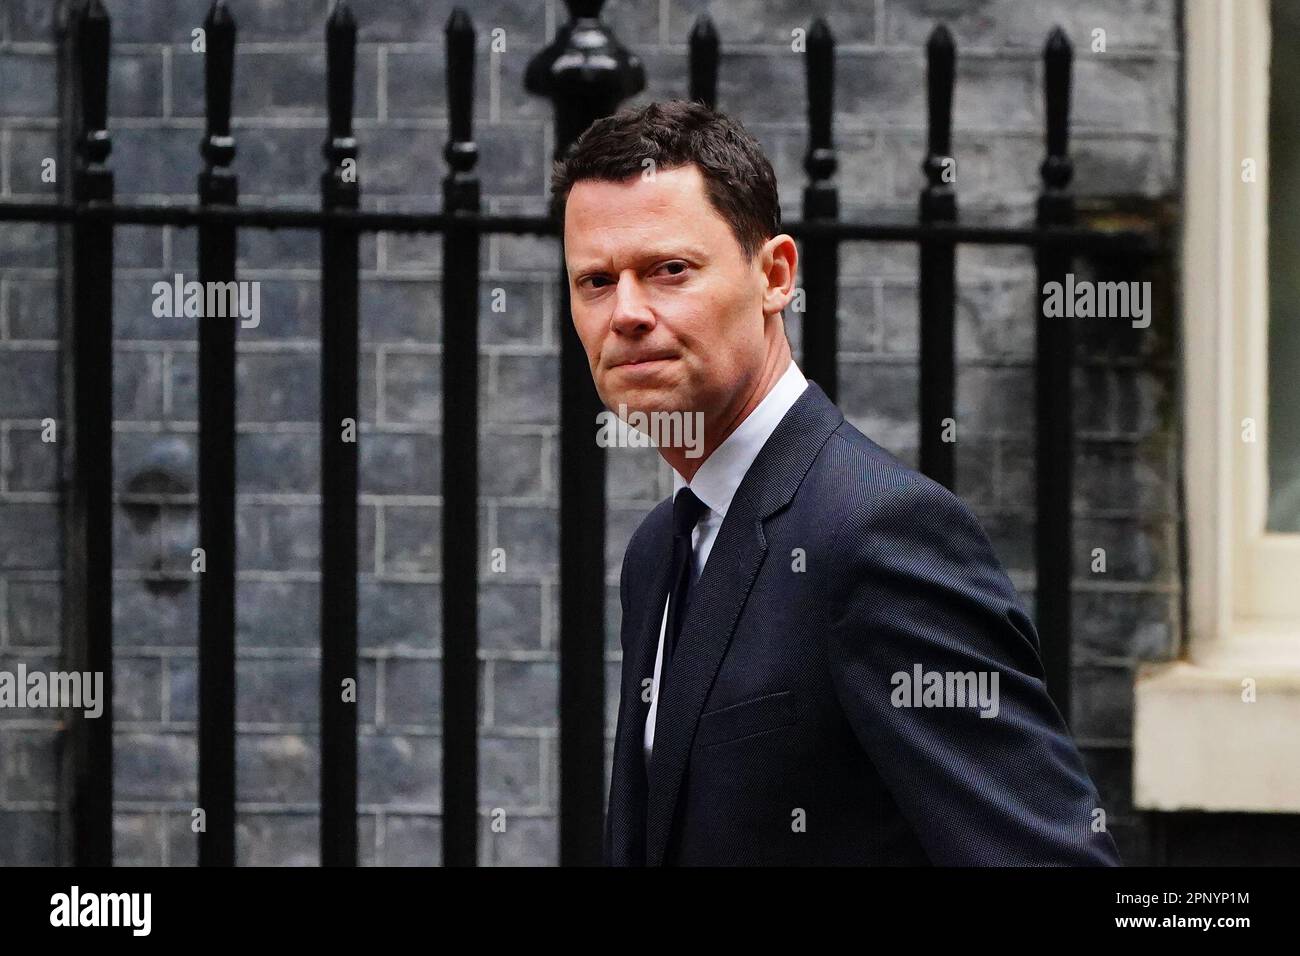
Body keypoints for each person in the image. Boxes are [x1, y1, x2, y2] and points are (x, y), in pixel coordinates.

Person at [553, 99, 1121, 866]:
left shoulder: (881, 534)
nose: (626, 313)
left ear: (775, 276)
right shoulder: (660, 550)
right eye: (595, 281)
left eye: (669, 270)